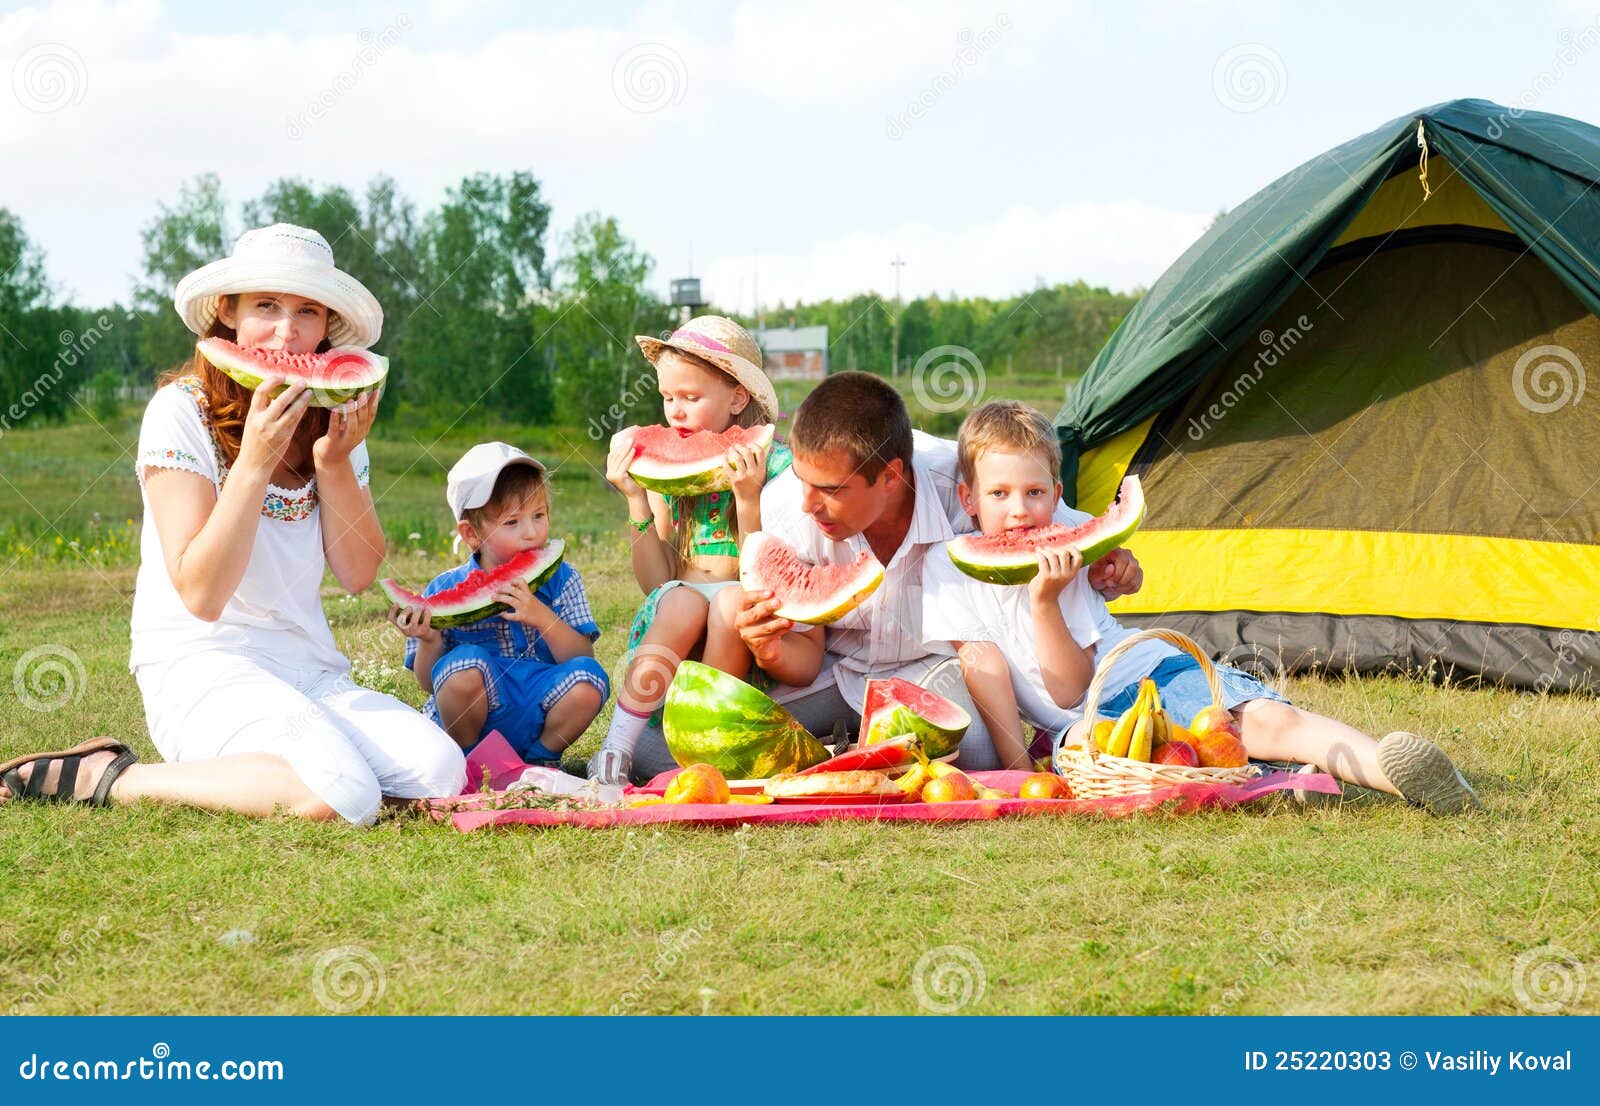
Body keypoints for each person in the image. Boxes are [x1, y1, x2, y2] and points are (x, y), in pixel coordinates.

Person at [0, 224, 465, 824]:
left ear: (327, 326)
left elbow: (357, 574)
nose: (285, 332)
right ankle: (109, 775)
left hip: (307, 669)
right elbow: (202, 592)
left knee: (441, 770)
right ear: (229, 313)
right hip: (202, 664)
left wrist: (336, 462)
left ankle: (307, 766)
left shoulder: (335, 421)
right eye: (265, 306)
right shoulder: (180, 412)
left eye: (306, 311)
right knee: (338, 796)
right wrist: (254, 460)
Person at [921, 400, 1480, 814]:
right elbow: (990, 670)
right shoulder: (945, 567)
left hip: (1147, 675)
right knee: (1166, 772)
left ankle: (1404, 773)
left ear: (1058, 490)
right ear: (968, 498)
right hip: (1085, 730)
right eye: (998, 495)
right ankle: (1272, 780)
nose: (1020, 512)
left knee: (1267, 723)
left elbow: (1072, 682)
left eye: (1034, 493)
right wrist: (1018, 775)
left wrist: (1051, 600)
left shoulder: (1071, 538)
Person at [623, 371, 1145, 779]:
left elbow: (1062, 528)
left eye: (831, 489)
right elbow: (803, 664)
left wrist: (1115, 563)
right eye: (804, 481)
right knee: (655, 758)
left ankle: (835, 760)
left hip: (931, 667)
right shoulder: (790, 507)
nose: (810, 505)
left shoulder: (963, 480)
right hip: (836, 671)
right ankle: (844, 758)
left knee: (977, 756)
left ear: (890, 477)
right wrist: (769, 648)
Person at [588, 316, 791, 785]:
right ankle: (615, 747)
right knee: (679, 597)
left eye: (691, 398)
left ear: (737, 397)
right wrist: (637, 498)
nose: (675, 412)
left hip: (739, 620)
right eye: (667, 398)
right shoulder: (665, 476)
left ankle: (709, 742)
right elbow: (654, 583)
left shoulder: (774, 465)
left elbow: (761, 573)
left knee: (729, 601)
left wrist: (747, 497)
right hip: (673, 626)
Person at [389, 443, 609, 765]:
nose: (531, 532)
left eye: (539, 515)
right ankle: (470, 762)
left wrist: (542, 617)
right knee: (464, 663)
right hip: (470, 721)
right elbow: (427, 683)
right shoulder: (443, 589)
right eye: (512, 522)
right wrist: (429, 640)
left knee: (590, 678)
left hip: (539, 703)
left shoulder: (563, 578)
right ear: (471, 533)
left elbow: (581, 656)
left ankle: (539, 761)